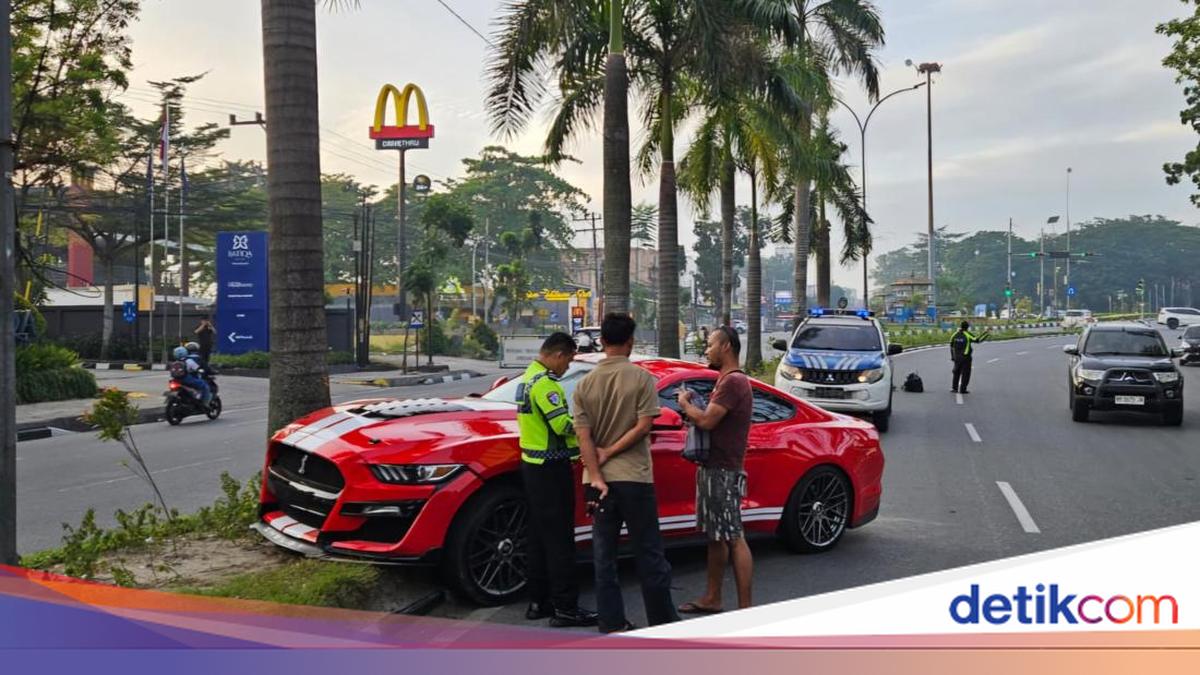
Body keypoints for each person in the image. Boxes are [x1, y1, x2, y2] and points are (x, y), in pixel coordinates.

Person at [575, 313, 679, 633]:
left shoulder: (583, 384)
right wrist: (613, 451)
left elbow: (583, 435)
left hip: (597, 482)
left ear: (602, 341)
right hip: (634, 478)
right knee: (649, 554)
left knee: (603, 557)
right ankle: (663, 623)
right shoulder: (641, 378)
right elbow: (645, 425)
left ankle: (611, 621)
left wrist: (596, 472)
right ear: (630, 342)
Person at [516, 332, 598, 628]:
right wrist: (587, 422)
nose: (568, 367)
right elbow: (561, 424)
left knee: (539, 538)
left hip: (533, 467)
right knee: (561, 541)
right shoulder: (546, 385)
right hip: (551, 470)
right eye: (569, 360)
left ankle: (539, 601)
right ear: (558, 355)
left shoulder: (527, 378)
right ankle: (566, 607)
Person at [675, 326, 755, 613]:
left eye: (710, 344)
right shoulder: (726, 381)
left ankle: (746, 609)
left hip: (723, 470)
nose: (706, 349)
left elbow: (708, 421)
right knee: (715, 536)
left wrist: (685, 405)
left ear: (726, 347)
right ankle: (712, 597)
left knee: (733, 536)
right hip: (714, 468)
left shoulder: (733, 382)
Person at [950, 320, 990, 394]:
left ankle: (954, 388)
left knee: (956, 372)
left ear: (960, 326)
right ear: (967, 327)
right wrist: (986, 333)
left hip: (957, 358)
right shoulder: (967, 334)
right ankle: (963, 389)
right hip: (966, 358)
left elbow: (951, 346)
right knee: (966, 373)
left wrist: (952, 356)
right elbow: (977, 340)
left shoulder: (954, 334)